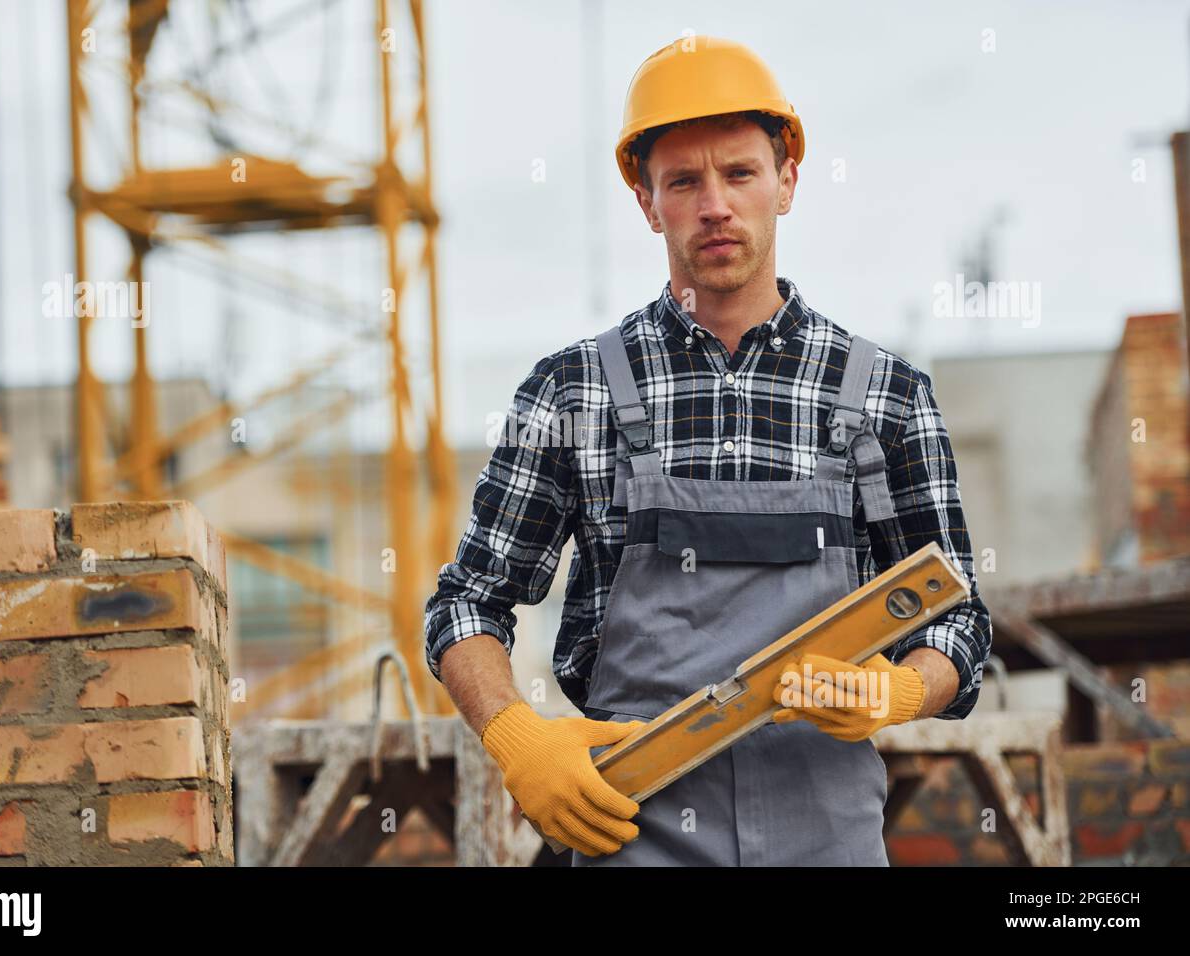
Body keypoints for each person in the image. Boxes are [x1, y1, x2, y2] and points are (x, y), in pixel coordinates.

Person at [423, 34, 992, 865]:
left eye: (740, 173)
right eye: (683, 181)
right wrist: (518, 738)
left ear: (787, 181)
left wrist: (903, 688)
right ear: (648, 203)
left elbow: (960, 615)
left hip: (826, 836)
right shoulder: (572, 392)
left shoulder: (886, 395)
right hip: (631, 830)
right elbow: (466, 602)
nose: (714, 204)